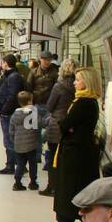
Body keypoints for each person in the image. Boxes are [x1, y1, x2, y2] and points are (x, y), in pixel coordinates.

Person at [45, 65, 101, 222]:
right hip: (82, 152)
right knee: (78, 188)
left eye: (78, 80)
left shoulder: (83, 103)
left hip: (75, 154)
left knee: (67, 188)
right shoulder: (90, 102)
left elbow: (65, 124)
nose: (75, 83)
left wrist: (67, 127)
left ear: (87, 82)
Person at [39, 59, 75, 196]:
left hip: (56, 126)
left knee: (52, 157)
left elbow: (50, 106)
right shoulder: (78, 86)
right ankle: (63, 187)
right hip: (71, 126)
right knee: (65, 159)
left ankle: (52, 187)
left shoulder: (59, 86)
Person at [9, 91, 48, 191]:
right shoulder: (33, 113)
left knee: (20, 164)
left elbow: (11, 130)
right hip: (31, 145)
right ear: (30, 101)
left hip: (19, 145)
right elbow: (40, 124)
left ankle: (17, 183)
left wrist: (14, 140)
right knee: (32, 164)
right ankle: (33, 183)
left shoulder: (15, 114)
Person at [0, 54, 26, 175]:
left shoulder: (13, 77)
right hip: (7, 112)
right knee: (9, 139)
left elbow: (12, 96)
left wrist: (4, 111)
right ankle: (13, 164)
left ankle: (12, 165)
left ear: (6, 63)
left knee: (9, 139)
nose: (1, 65)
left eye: (2, 62)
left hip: (9, 113)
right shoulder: (9, 75)